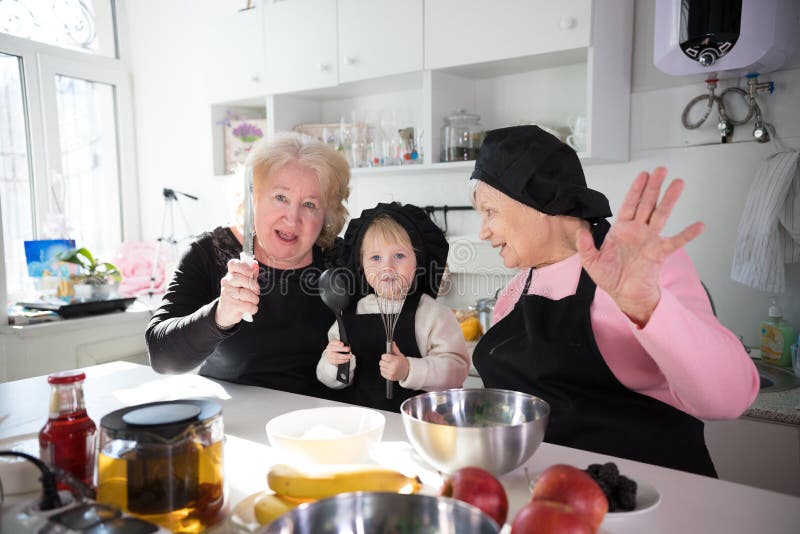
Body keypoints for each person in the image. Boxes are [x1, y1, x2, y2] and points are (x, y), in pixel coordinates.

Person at [470, 125, 759, 477]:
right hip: (550, 501)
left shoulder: (641, 268)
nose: (483, 231)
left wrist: (647, 305)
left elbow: (730, 398)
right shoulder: (514, 291)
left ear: (538, 201)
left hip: (653, 503)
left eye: (489, 211)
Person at [146, 132, 351, 400]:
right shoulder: (209, 254)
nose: (292, 217)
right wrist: (219, 315)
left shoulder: (341, 260)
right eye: (280, 197)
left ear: (327, 215)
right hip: (237, 425)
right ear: (253, 198)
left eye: (310, 204)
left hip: (320, 425)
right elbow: (163, 358)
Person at [316, 203, 470, 412]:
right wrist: (333, 364)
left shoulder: (433, 315)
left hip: (416, 424)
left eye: (399, 256)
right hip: (362, 426)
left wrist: (409, 370)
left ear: (418, 260)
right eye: (375, 258)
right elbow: (331, 380)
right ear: (361, 263)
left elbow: (456, 371)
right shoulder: (349, 314)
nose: (387, 267)